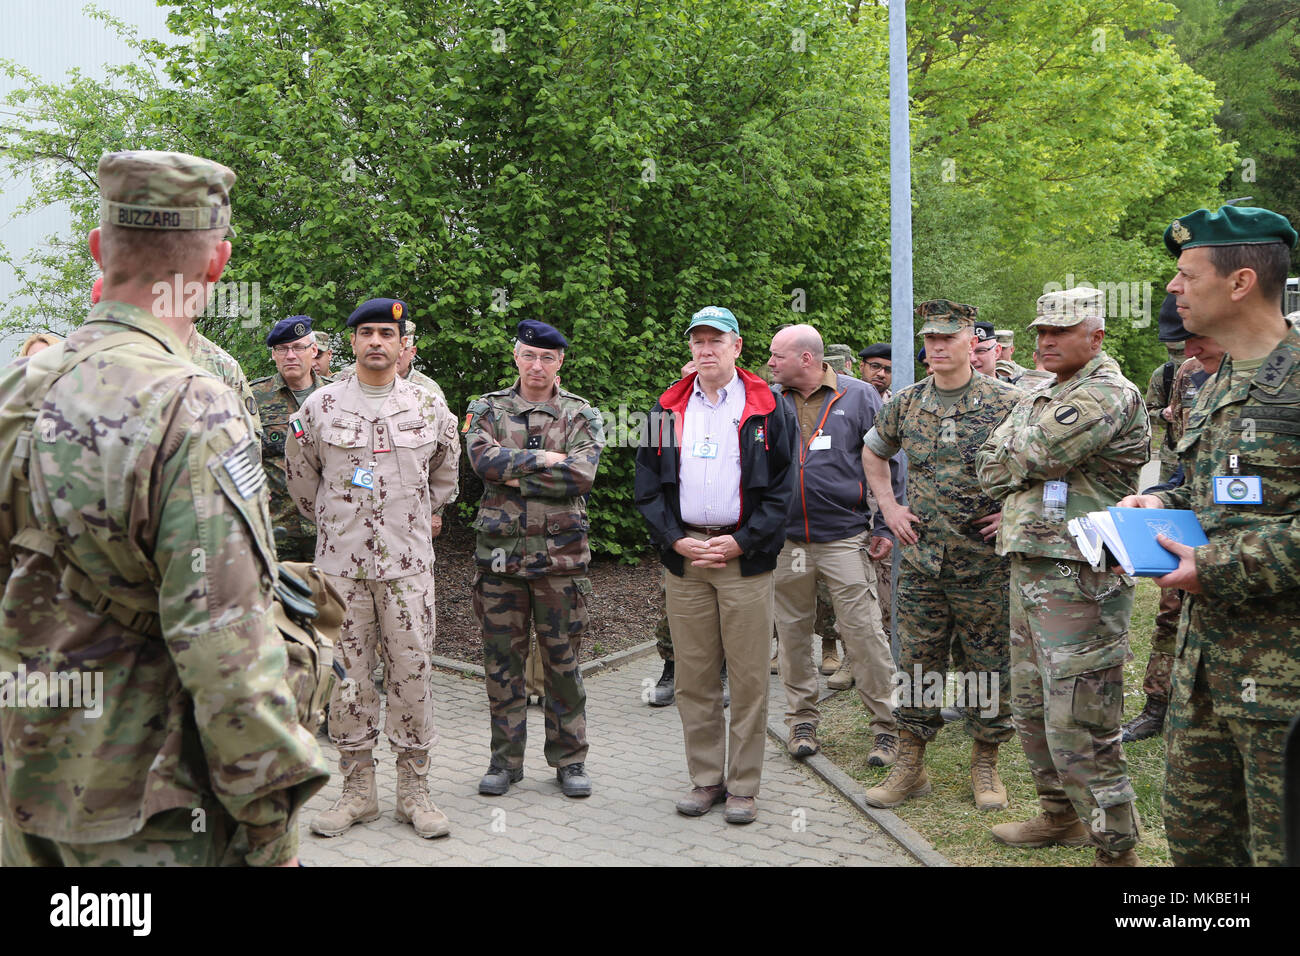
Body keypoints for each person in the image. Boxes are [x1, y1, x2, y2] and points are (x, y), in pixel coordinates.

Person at [0, 149, 328, 866]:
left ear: (98, 248)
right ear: (217, 262)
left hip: (27, 800)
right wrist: (274, 837)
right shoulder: (195, 407)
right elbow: (226, 654)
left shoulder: (16, 391)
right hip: (153, 820)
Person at [1120, 205, 1300, 866]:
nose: (1173, 289)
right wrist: (1158, 499)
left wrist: (1216, 565)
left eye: (1185, 274)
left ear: (1241, 281)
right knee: (1200, 852)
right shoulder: (1216, 378)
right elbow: (1210, 481)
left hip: (1282, 689)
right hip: (1200, 676)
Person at [977, 286, 1149, 866]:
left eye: (1060, 332)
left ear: (1096, 336)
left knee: (1081, 716)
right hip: (1033, 567)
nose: (1045, 342)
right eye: (1041, 333)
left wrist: (1013, 454)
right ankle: (1060, 816)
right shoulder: (1046, 393)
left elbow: (1030, 460)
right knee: (1030, 705)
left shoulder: (1105, 393)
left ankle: (1116, 849)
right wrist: (1013, 453)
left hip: (1082, 577)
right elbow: (989, 466)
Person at [287, 296, 460, 839]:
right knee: (346, 679)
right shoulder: (320, 407)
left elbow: (446, 473)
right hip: (341, 568)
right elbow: (301, 479)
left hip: (407, 567)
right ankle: (357, 791)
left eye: (388, 333)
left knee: (413, 672)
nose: (377, 342)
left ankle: (415, 791)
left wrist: (417, 517)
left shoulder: (428, 406)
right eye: (367, 334)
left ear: (402, 341)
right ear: (352, 342)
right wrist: (338, 524)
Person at [635, 306, 797, 824]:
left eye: (715, 340)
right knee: (694, 678)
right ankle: (706, 779)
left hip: (743, 561)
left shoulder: (768, 408)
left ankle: (745, 785)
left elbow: (782, 490)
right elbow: (646, 487)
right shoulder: (664, 409)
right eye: (697, 341)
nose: (705, 349)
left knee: (748, 678)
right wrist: (675, 540)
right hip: (686, 561)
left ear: (737, 346)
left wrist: (741, 542)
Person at [862, 300, 1020, 810]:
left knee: (985, 664)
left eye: (947, 339)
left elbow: (1045, 467)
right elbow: (873, 451)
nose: (936, 348)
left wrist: (1015, 513)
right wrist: (889, 507)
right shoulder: (906, 404)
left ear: (970, 343)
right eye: (929, 339)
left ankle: (985, 764)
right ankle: (911, 765)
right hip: (923, 562)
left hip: (984, 564)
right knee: (918, 664)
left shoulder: (1008, 402)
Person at [462, 320, 604, 797]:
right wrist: (546, 460)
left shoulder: (582, 414)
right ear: (516, 357)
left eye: (547, 357)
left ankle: (570, 762)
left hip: (562, 564)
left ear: (560, 361)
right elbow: (482, 462)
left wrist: (513, 470)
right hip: (500, 562)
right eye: (528, 355)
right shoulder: (487, 408)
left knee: (563, 665)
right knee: (502, 664)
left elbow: (581, 476)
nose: (537, 365)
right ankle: (505, 762)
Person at [767, 324, 898, 765]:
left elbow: (887, 462)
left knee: (863, 634)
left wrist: (883, 527)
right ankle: (801, 721)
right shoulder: (771, 400)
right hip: (786, 542)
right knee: (792, 635)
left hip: (844, 536)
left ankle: (885, 727)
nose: (770, 363)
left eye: (777, 355)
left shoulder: (859, 396)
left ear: (806, 359)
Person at [1122, 297, 1223, 744]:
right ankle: (1157, 705)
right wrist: (1160, 499)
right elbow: (1191, 465)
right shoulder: (1188, 372)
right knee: (1170, 612)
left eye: (1197, 340)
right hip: (1190, 519)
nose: (1189, 353)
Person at [250, 315, 331, 563]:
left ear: (313, 350)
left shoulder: (337, 395)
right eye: (282, 349)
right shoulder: (253, 396)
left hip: (329, 527)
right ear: (273, 355)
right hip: (276, 529)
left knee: (329, 599)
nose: (290, 356)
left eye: (298, 347)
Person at [1146, 295, 1189, 486]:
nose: (1179, 358)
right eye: (1174, 353)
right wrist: (1164, 414)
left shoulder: (1214, 371)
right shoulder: (1163, 374)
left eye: (1181, 351)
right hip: (1172, 456)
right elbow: (1148, 412)